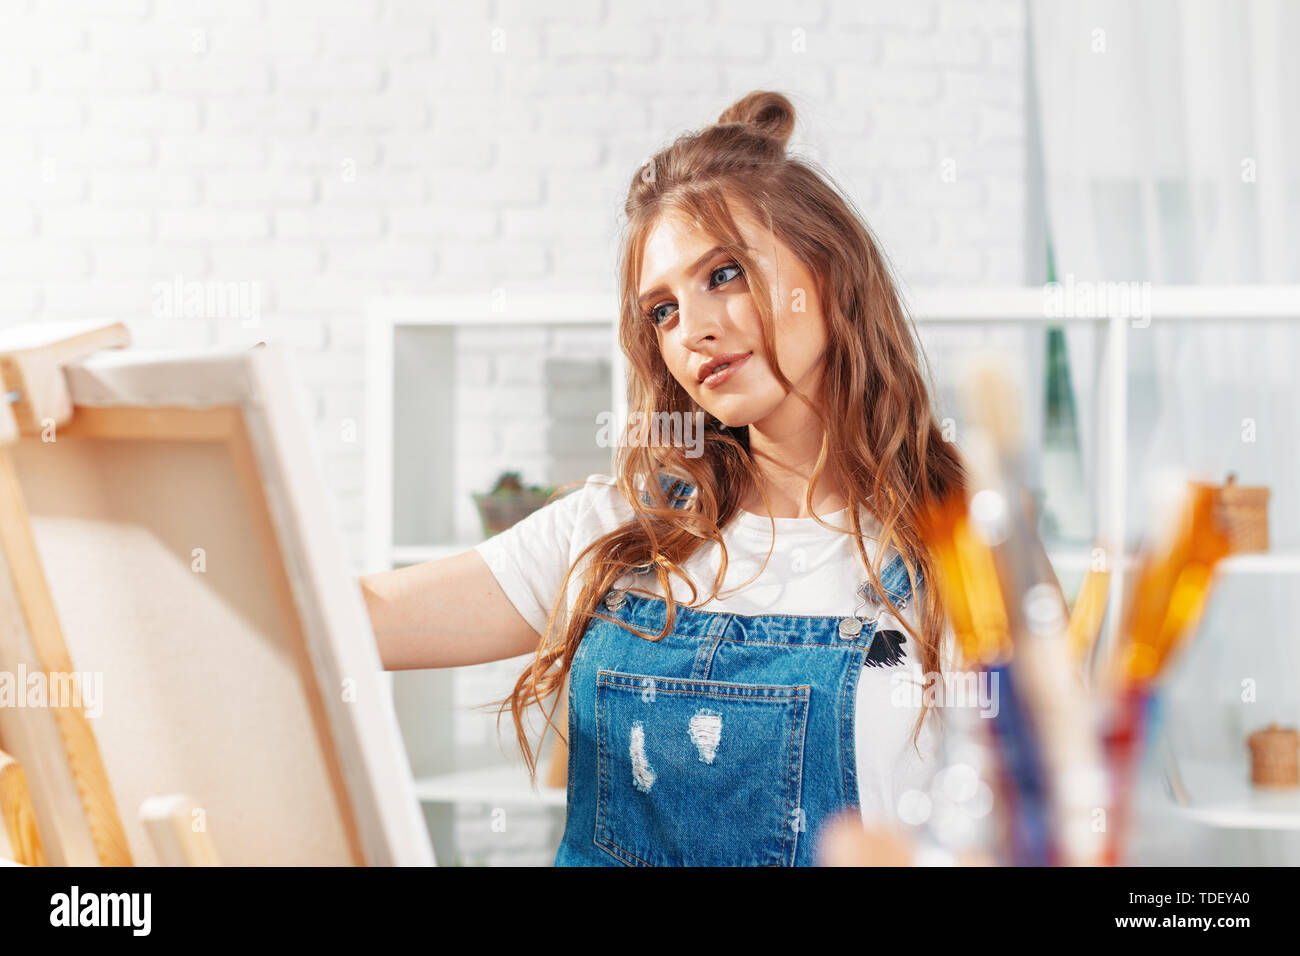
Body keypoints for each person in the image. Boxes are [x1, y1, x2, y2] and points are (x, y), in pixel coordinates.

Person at [361, 90, 966, 867]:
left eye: (724, 274)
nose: (694, 331)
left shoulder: (956, 556)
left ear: (827, 266)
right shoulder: (613, 531)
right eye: (662, 311)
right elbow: (352, 617)